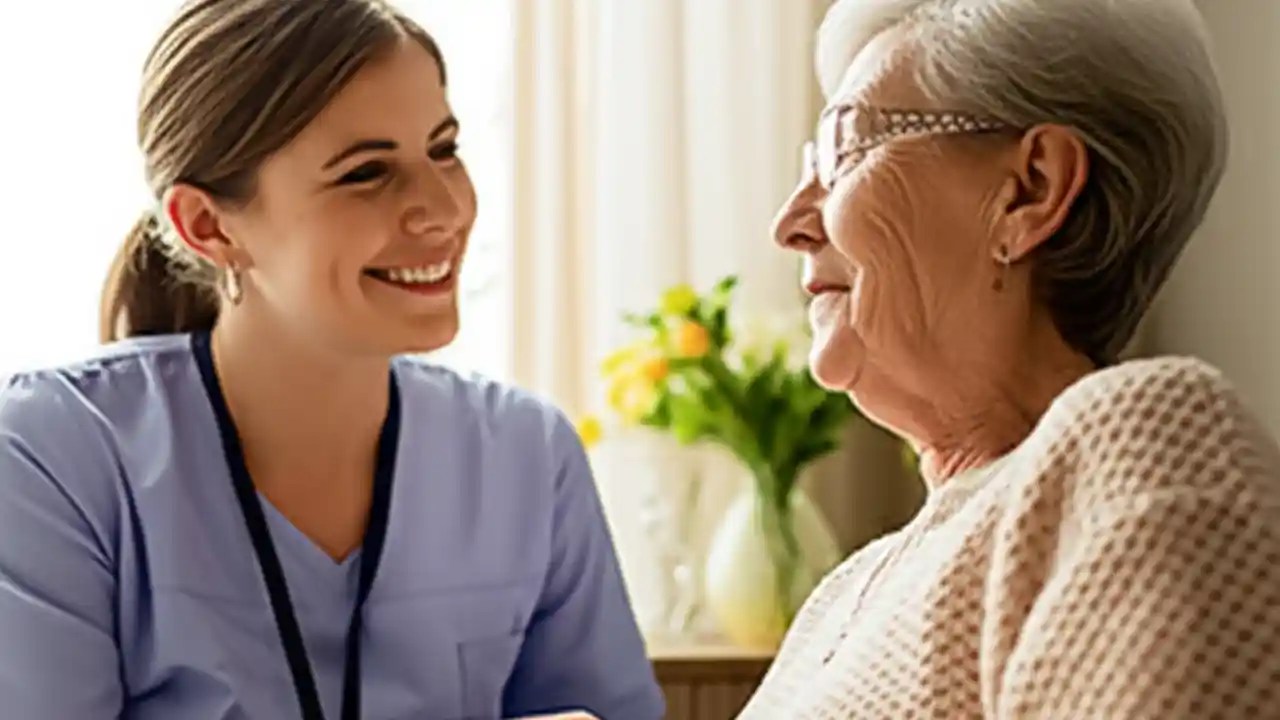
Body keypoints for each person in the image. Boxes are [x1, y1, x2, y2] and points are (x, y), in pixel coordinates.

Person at [0, 1, 663, 718]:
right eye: (366, 173)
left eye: (443, 150)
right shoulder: (51, 457)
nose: (441, 209)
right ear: (209, 225)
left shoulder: (526, 453)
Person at [743, 0, 1280, 717]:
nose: (791, 222)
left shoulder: (1144, 446)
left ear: (1032, 189)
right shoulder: (845, 589)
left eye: (843, 150)